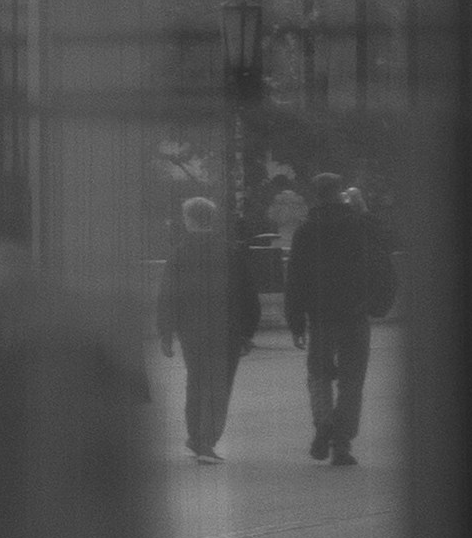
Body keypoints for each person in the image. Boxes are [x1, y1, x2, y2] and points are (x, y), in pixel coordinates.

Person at [152, 169, 260, 458]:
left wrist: (165, 333)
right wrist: (248, 332)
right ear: (212, 220)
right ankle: (208, 438)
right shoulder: (230, 253)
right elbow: (248, 295)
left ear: (188, 220)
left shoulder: (179, 254)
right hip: (226, 331)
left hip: (193, 331)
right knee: (220, 386)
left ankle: (196, 436)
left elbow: (167, 296)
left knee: (196, 382)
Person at [282, 171, 387, 464]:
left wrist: (295, 322)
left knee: (319, 374)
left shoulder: (306, 231)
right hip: (355, 313)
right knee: (352, 380)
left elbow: (296, 279)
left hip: (321, 316)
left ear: (316, 195)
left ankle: (324, 423)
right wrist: (363, 208)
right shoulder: (359, 225)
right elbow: (383, 247)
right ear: (340, 192)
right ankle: (342, 442)